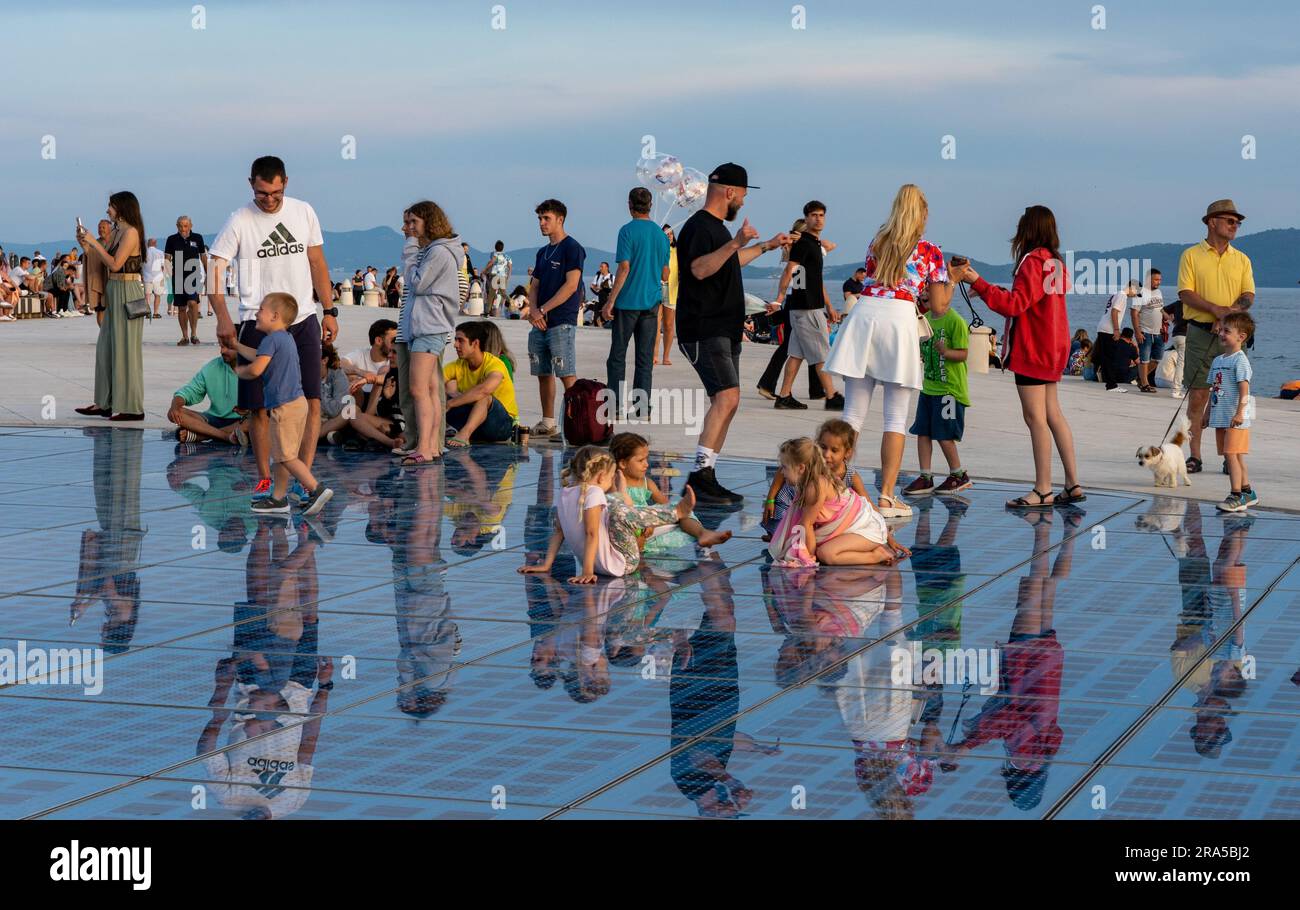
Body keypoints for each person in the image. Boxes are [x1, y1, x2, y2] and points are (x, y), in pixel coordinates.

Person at [208, 155, 338, 504]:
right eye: (263, 193)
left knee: (311, 401)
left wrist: (330, 310)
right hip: (257, 320)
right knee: (259, 408)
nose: (270, 200)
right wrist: (222, 315)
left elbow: (317, 261)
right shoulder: (239, 220)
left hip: (302, 319)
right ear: (251, 184)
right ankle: (267, 480)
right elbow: (215, 269)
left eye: (276, 192)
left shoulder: (303, 211)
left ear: (286, 183)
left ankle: (302, 476)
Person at [825, 184, 950, 519]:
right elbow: (938, 306)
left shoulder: (877, 241)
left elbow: (875, 279)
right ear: (921, 213)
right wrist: (948, 280)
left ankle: (834, 485)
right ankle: (885, 496)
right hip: (898, 320)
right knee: (895, 416)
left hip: (865, 314)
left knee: (852, 414)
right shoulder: (929, 251)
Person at [949, 205, 1084, 509]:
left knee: (1035, 417)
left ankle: (1043, 489)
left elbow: (1015, 306)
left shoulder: (1031, 261)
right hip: (1054, 345)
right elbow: (1034, 301)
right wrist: (989, 288)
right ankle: (1072, 483)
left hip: (1034, 348)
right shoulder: (1054, 262)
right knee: (1053, 414)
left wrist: (978, 282)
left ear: (1029, 229)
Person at [676, 162, 791, 506]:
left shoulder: (716, 230)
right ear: (729, 191)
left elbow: (728, 262)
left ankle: (706, 475)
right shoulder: (699, 227)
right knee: (727, 398)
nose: (742, 201)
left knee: (727, 401)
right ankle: (699, 478)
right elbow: (699, 269)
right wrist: (736, 242)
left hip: (722, 328)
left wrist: (767, 245)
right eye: (741, 195)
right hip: (703, 327)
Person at [519, 445, 698, 583]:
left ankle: (626, 497)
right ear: (600, 477)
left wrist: (546, 564)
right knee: (620, 510)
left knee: (616, 505)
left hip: (598, 564)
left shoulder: (564, 492)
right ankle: (676, 512)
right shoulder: (594, 493)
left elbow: (559, 533)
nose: (611, 481)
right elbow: (591, 533)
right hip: (622, 562)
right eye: (612, 477)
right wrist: (587, 572)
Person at [232, 292, 333, 516]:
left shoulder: (270, 340)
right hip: (297, 405)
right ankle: (278, 498)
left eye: (261, 310)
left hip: (284, 407)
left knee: (287, 456)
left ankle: (315, 488)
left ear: (275, 316)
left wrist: (238, 370)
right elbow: (259, 355)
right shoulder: (283, 338)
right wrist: (236, 347)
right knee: (280, 453)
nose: (256, 313)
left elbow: (257, 367)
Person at [1178, 199, 1255, 474]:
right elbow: (1185, 293)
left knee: (1232, 396)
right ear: (1212, 222)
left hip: (1233, 336)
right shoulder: (1191, 255)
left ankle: (1229, 455)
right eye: (1230, 220)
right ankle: (1194, 456)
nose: (1235, 226)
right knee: (1198, 396)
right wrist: (1215, 310)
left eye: (1238, 222)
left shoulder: (1242, 259)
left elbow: (1248, 295)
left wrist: (1228, 314)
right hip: (1200, 333)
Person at [766, 437, 910, 567]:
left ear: (801, 468)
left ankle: (877, 555)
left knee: (825, 554)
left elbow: (806, 525)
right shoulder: (808, 482)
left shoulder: (815, 487)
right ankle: (870, 548)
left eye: (784, 467)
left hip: (866, 529)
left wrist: (809, 559)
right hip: (852, 528)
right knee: (809, 543)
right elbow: (805, 526)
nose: (782, 472)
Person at [395, 199, 463, 467]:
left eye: (414, 222)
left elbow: (418, 283)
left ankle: (424, 446)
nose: (410, 228)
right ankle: (431, 446)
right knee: (432, 388)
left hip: (429, 326)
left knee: (419, 389)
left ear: (429, 222)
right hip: (429, 326)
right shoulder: (439, 250)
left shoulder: (438, 252)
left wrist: (411, 250)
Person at [73, 191, 147, 421]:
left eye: (111, 206)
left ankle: (132, 408)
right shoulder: (117, 231)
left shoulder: (131, 232)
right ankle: (104, 402)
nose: (107, 210)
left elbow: (115, 264)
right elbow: (100, 259)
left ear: (122, 208)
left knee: (126, 350)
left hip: (128, 290)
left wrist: (95, 241)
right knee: (106, 348)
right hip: (114, 290)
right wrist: (86, 244)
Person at [603, 187, 670, 418]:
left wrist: (610, 301)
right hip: (651, 303)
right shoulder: (661, 235)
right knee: (644, 359)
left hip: (628, 302)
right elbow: (665, 274)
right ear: (650, 205)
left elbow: (624, 268)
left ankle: (615, 405)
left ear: (630, 204)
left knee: (617, 356)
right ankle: (643, 407)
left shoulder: (627, 231)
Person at [522, 198, 585, 439]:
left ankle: (575, 424)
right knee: (543, 371)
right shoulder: (543, 252)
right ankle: (548, 421)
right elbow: (535, 285)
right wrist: (534, 309)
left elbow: (571, 286)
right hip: (540, 320)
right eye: (539, 218)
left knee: (566, 372)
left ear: (560, 219)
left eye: (546, 218)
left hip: (561, 320)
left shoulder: (572, 248)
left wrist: (543, 310)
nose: (541, 223)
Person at [772, 201, 843, 411]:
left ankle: (784, 396)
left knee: (796, 354)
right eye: (814, 215)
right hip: (807, 308)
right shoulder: (804, 244)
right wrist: (779, 298)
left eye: (821, 215)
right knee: (822, 352)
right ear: (806, 218)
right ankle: (831, 396)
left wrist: (828, 305)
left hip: (805, 305)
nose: (818, 219)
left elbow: (810, 279)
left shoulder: (814, 244)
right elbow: (790, 271)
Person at [903, 284, 973, 496]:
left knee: (944, 435)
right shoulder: (926, 320)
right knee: (922, 432)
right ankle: (926, 476)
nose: (924, 294)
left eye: (929, 291)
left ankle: (958, 474)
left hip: (949, 390)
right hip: (929, 388)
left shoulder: (955, 321)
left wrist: (946, 351)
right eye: (923, 291)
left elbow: (963, 354)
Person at [762, 418, 872, 539]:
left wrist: (882, 527)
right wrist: (770, 499)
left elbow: (866, 503)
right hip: (790, 504)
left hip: (814, 513)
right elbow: (782, 471)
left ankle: (785, 536)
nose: (826, 454)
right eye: (823, 447)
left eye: (834, 450)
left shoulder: (850, 474)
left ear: (847, 452)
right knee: (788, 528)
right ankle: (779, 534)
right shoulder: (811, 461)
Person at [1204, 312, 1256, 511]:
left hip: (1236, 418)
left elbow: (1245, 389)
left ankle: (1236, 495)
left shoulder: (1240, 361)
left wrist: (1240, 413)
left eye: (1227, 331)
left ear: (1241, 337)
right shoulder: (1218, 360)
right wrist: (1207, 413)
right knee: (1235, 456)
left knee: (1231, 454)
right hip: (1221, 416)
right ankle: (1248, 492)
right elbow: (1213, 389)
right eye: (1221, 330)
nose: (1221, 333)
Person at [443, 321, 519, 446]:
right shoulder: (458, 365)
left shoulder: (495, 363)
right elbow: (434, 381)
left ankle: (464, 434)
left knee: (484, 396)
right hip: (475, 423)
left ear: (475, 343)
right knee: (437, 392)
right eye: (455, 340)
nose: (455, 345)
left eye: (460, 340)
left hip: (500, 426)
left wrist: (450, 403)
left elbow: (484, 390)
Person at [168, 336, 248, 445]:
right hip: (212, 420)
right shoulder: (212, 367)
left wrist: (249, 410)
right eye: (221, 346)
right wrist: (175, 406)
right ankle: (225, 436)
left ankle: (202, 435)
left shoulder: (255, 367)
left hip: (242, 421)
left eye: (228, 347)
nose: (222, 351)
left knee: (257, 420)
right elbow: (187, 392)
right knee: (174, 413)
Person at [164, 216, 208, 346]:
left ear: (190, 226)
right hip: (177, 275)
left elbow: (203, 256)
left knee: (193, 303)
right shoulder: (172, 239)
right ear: (177, 226)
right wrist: (168, 275)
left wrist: (208, 273)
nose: (183, 228)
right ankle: (185, 336)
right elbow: (167, 258)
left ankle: (194, 333)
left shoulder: (198, 238)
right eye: (180, 225)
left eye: (185, 225)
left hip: (193, 275)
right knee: (181, 307)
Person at [1094, 280, 1139, 391]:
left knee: (1106, 358)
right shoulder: (1122, 296)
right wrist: (1116, 330)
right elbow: (1114, 311)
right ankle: (1112, 385)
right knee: (1111, 358)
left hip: (1102, 327)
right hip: (1109, 330)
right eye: (1136, 291)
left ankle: (1109, 383)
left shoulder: (1116, 294)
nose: (1135, 295)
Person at [342, 317, 396, 397]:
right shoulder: (361, 354)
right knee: (349, 376)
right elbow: (341, 364)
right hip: (361, 397)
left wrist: (368, 379)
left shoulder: (395, 358)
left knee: (384, 374)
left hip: (383, 400)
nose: (396, 344)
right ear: (378, 341)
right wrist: (361, 372)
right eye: (393, 340)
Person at [1132, 268, 1165, 392]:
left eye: (1160, 280)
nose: (1159, 282)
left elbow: (1160, 309)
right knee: (1144, 359)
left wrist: (1167, 318)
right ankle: (1145, 384)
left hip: (1158, 332)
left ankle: (1141, 378)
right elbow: (1134, 313)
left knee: (1157, 359)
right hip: (1145, 331)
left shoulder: (1159, 292)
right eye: (1156, 279)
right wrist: (1137, 332)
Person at [655, 224, 678, 365]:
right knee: (656, 324)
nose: (669, 235)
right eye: (666, 234)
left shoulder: (677, 251)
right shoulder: (657, 250)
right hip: (658, 289)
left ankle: (666, 356)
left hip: (671, 290)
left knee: (669, 325)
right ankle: (654, 355)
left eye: (671, 233)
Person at [484, 240, 512, 317]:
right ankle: (512, 304)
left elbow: (492, 262)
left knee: (491, 294)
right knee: (503, 293)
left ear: (495, 247)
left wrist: (484, 270)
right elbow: (510, 267)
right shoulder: (507, 256)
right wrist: (508, 277)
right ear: (502, 248)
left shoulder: (494, 254)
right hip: (503, 277)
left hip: (495, 275)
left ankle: (487, 312)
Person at [142, 238, 166, 320]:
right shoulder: (160, 252)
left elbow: (141, 265)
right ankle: (156, 313)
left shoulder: (144, 252)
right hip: (158, 277)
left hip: (146, 276)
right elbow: (163, 266)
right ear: (155, 244)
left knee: (147, 296)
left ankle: (148, 313)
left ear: (148, 244)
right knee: (157, 295)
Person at [589, 262, 614, 327]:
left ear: (607, 268)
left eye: (602, 267)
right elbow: (592, 285)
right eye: (600, 267)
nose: (600, 268)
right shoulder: (598, 276)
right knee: (596, 315)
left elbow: (615, 288)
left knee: (606, 314)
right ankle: (600, 328)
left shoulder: (611, 277)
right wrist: (597, 288)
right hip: (598, 298)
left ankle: (607, 325)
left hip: (607, 299)